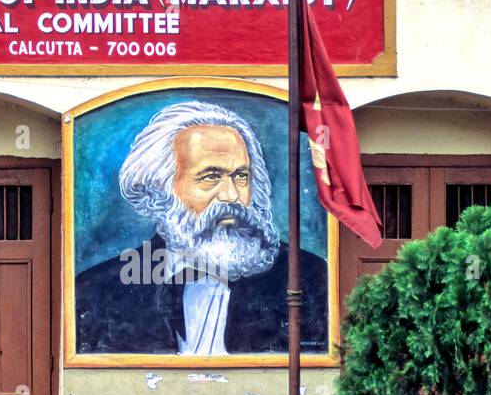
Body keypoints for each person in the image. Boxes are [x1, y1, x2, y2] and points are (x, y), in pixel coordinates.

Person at [74, 101, 328, 354]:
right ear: (159, 190)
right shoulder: (99, 290)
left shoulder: (309, 277)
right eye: (211, 177)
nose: (231, 196)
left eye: (241, 176)